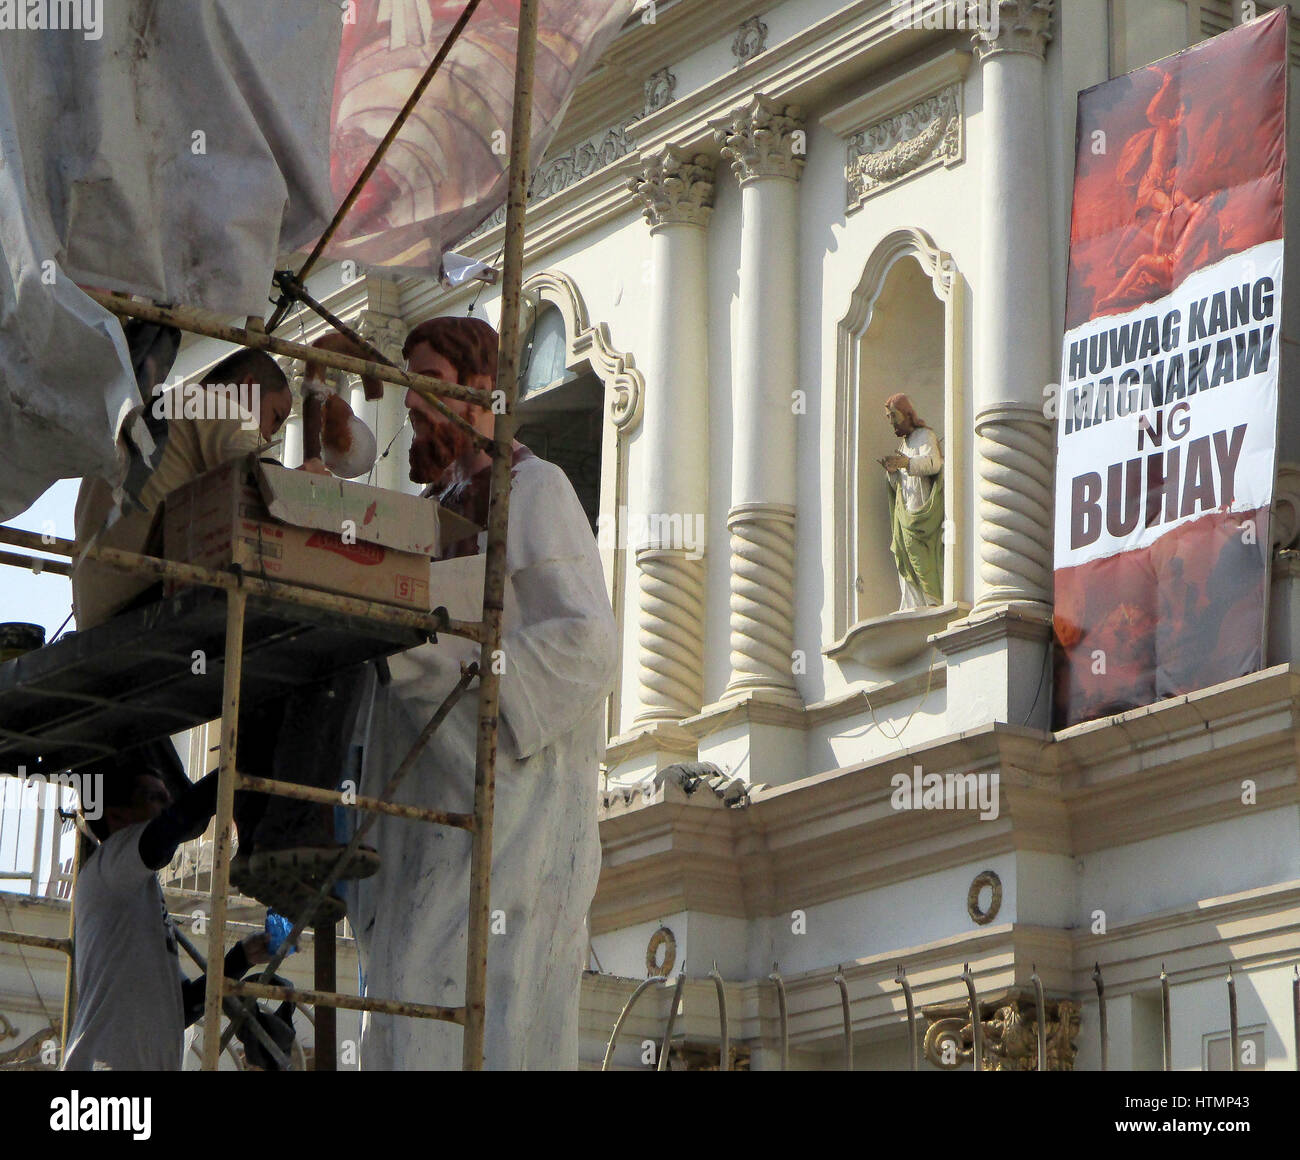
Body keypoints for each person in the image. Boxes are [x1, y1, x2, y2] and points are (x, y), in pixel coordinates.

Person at [351, 316, 618, 1069]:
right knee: (403, 994)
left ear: (478, 394)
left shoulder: (534, 489)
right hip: (420, 806)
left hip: (511, 815)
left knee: (484, 1004)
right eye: (408, 388)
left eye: (429, 385)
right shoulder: (425, 515)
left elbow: (587, 644)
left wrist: (446, 671)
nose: (412, 405)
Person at [63, 749, 272, 1071]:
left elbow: (183, 1007)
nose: (166, 808)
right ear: (117, 818)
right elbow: (170, 828)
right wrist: (230, 774)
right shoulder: (112, 863)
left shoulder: (137, 893)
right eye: (155, 799)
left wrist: (241, 958)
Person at [71, 348, 310, 629]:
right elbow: (272, 487)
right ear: (248, 387)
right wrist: (312, 484)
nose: (269, 433)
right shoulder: (219, 406)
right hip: (143, 600)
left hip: (94, 613)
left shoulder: (156, 410)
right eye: (276, 417)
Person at [879, 392, 943, 610]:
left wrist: (907, 463)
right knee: (904, 553)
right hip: (905, 509)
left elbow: (934, 464)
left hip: (920, 509)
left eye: (894, 417)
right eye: (888, 419)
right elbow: (899, 484)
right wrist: (892, 471)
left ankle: (931, 601)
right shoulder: (905, 444)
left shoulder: (925, 436)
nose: (892, 424)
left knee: (919, 554)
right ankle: (912, 604)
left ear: (907, 415)